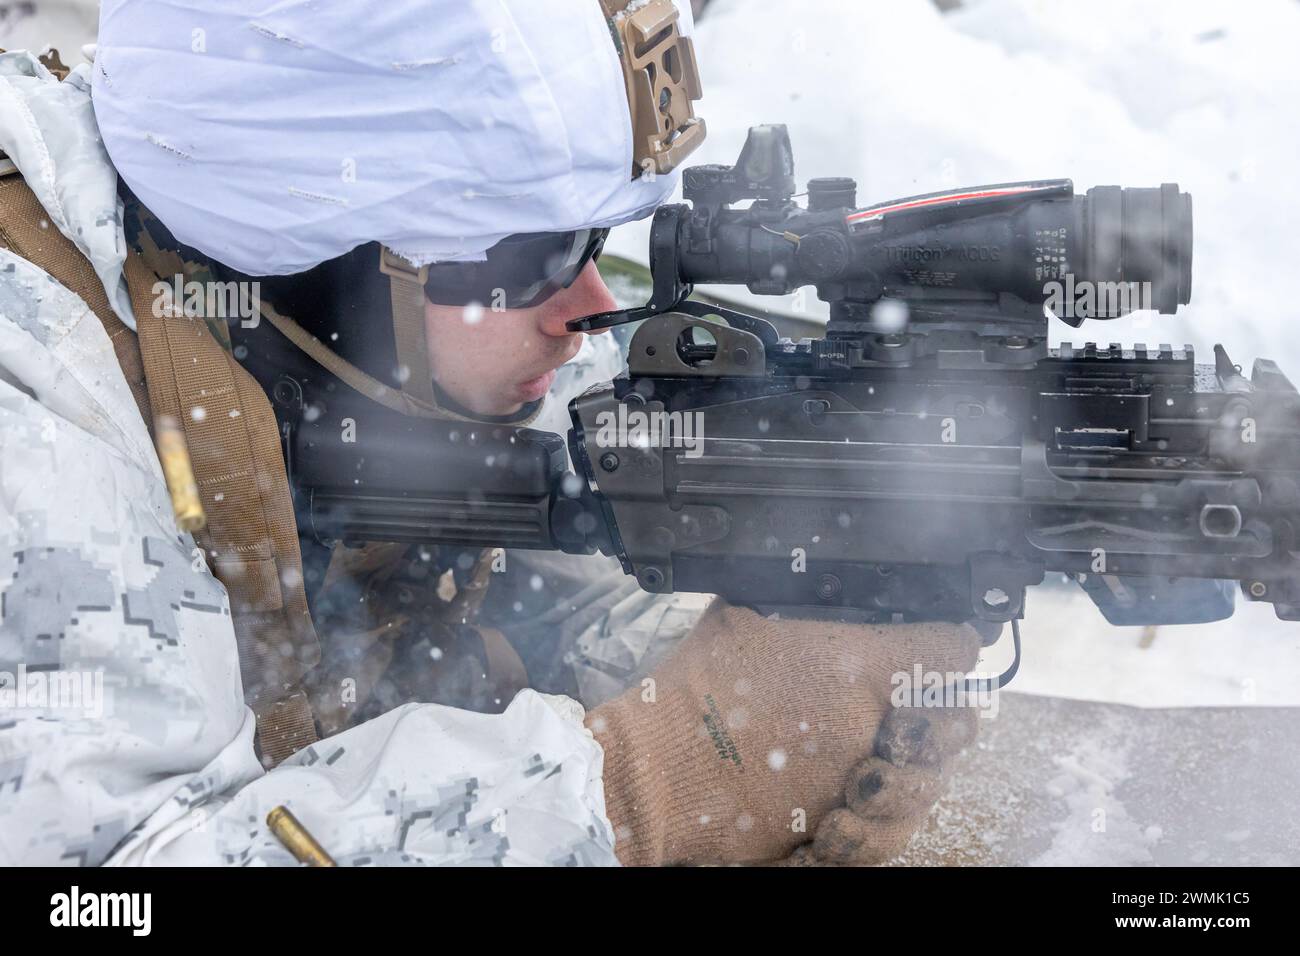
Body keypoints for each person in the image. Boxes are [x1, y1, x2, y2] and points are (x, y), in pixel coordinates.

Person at [0, 0, 981, 867]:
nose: (590, 305)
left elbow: (531, 603)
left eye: (594, 239)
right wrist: (635, 788)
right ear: (321, 254)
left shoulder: (366, 343)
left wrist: (781, 668)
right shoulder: (36, 407)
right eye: (536, 253)